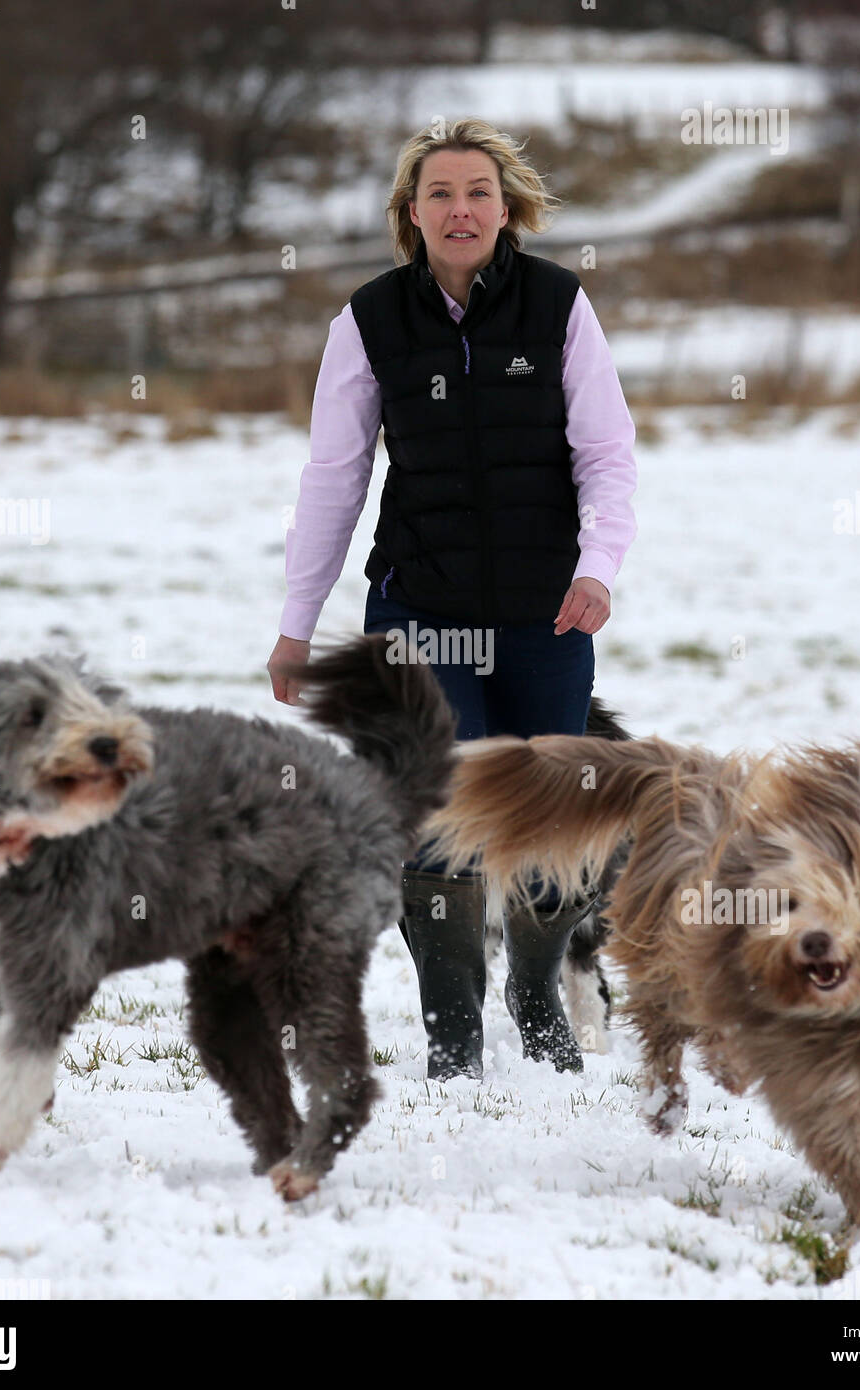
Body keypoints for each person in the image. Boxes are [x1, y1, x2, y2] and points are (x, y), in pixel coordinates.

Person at [267, 117, 637, 1081]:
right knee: (437, 818)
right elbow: (333, 478)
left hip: (545, 613)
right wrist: (294, 627)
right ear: (411, 213)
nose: (460, 208)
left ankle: (535, 993)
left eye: (477, 192)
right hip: (420, 610)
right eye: (439, 193)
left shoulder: (560, 307)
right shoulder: (369, 321)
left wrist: (597, 568)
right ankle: (452, 1037)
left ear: (506, 208)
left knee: (555, 821)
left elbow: (605, 455)